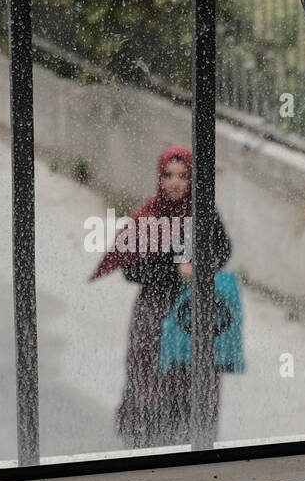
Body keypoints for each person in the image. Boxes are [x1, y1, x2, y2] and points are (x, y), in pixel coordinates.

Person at [89, 145, 232, 448]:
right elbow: (130, 270)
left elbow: (224, 249)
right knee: (151, 392)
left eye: (183, 176)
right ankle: (151, 457)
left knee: (194, 390)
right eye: (168, 175)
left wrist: (202, 267)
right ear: (160, 177)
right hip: (154, 315)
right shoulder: (148, 217)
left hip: (195, 314)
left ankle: (192, 459)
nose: (176, 183)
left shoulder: (203, 211)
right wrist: (173, 270)